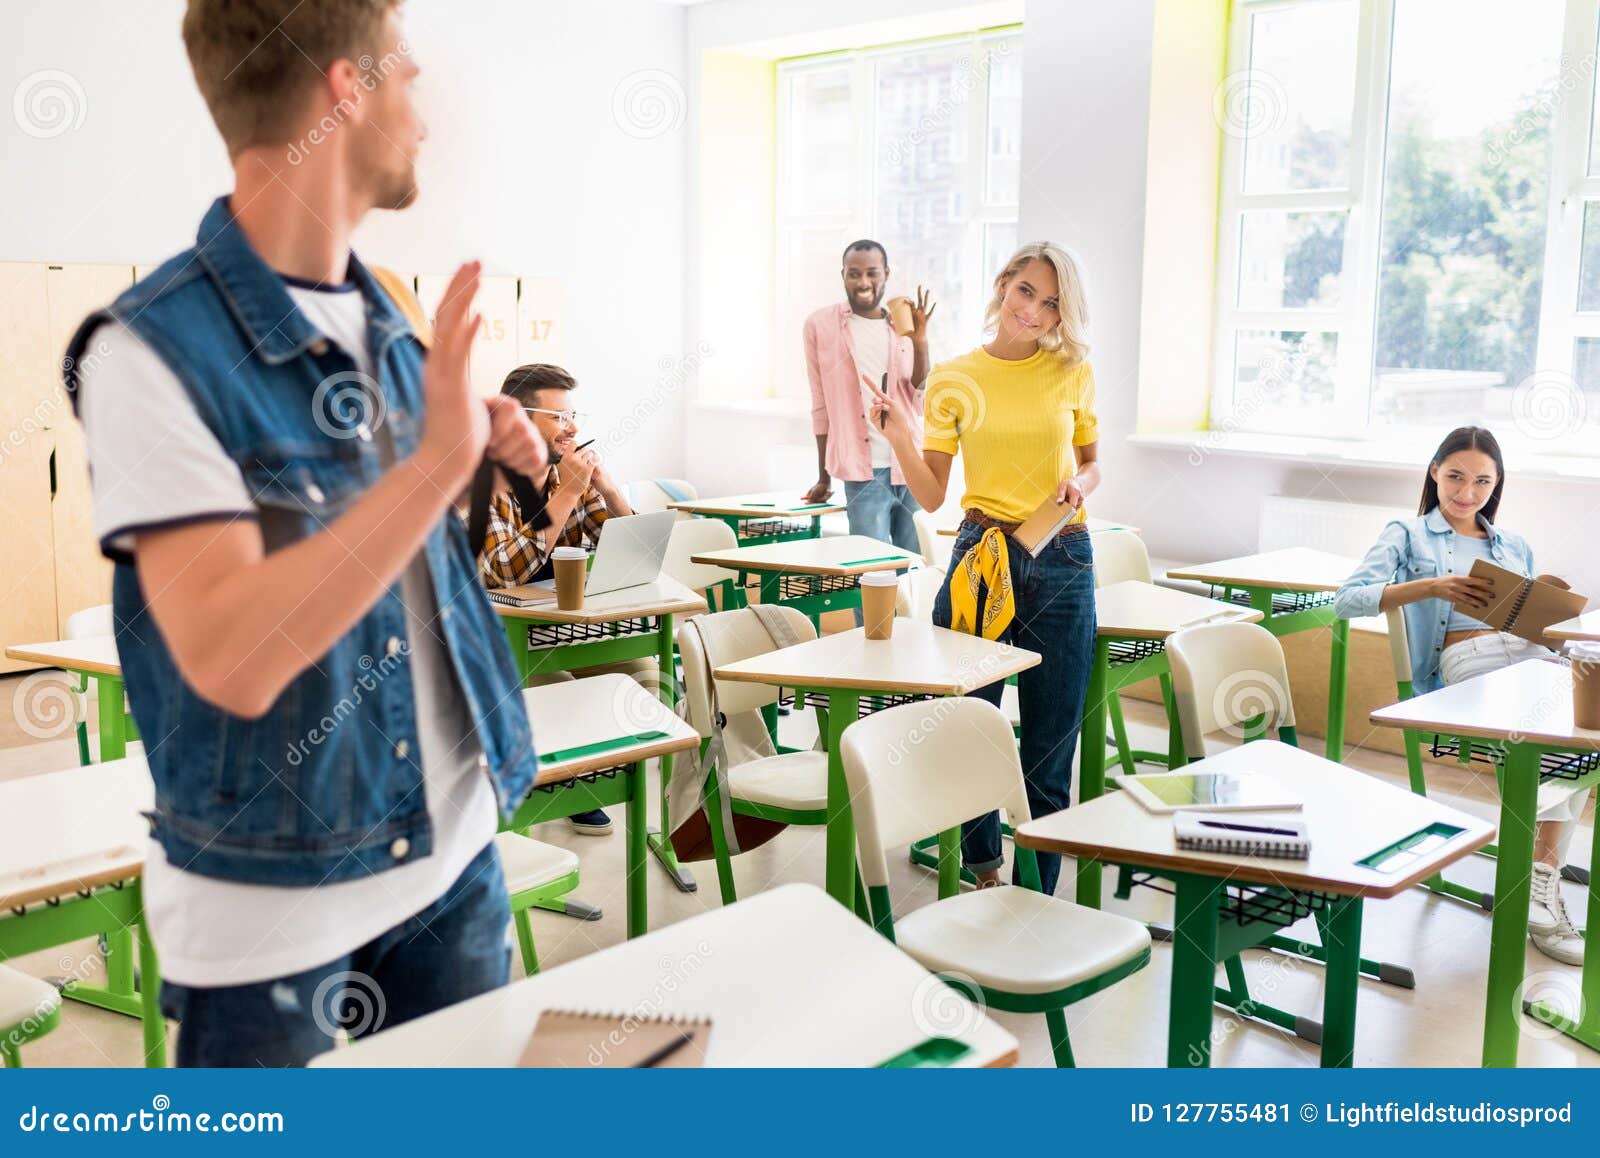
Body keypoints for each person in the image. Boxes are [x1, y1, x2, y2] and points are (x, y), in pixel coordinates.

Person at [64, 0, 549, 1066]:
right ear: (348, 87)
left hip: (454, 855)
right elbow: (234, 657)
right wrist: (430, 468)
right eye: (406, 73)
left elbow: (391, 559)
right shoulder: (148, 352)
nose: (423, 110)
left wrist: (470, 444)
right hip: (273, 918)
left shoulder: (383, 315)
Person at [869, 241, 1100, 895]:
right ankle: (984, 872)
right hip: (979, 558)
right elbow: (933, 493)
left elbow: (1093, 461)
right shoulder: (954, 377)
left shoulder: (1074, 370)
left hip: (1062, 558)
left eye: (1053, 304)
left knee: (1050, 746)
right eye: (1027, 291)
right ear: (1004, 285)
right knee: (971, 729)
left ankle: (1037, 892)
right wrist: (898, 439)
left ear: (1063, 317)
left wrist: (1081, 482)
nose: (1034, 311)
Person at [1334, 425, 1588, 965]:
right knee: (1558, 739)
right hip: (1466, 661)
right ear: (1434, 471)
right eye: (1454, 476)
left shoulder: (1512, 544)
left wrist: (1544, 597)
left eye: (1481, 481)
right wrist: (1433, 586)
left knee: (1585, 731)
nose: (1466, 492)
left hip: (1527, 655)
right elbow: (1347, 600)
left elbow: (1526, 621)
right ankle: (1541, 887)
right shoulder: (1407, 533)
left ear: (1496, 485)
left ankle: (1538, 878)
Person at [478, 362, 637, 835]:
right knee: (566, 688)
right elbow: (504, 572)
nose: (572, 429)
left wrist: (605, 487)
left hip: (560, 629)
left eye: (574, 417)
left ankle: (601, 784)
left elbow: (633, 553)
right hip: (498, 643)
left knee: (646, 676)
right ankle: (563, 787)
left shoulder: (564, 475)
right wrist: (566, 493)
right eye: (559, 418)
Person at [802, 240, 934, 560]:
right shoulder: (820, 325)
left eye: (872, 273)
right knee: (870, 572)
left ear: (885, 274)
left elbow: (918, 400)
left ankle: (908, 616)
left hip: (912, 465)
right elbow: (821, 406)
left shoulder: (902, 325)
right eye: (854, 274)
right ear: (843, 276)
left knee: (915, 568)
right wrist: (823, 476)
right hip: (862, 473)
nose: (863, 282)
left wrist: (920, 342)